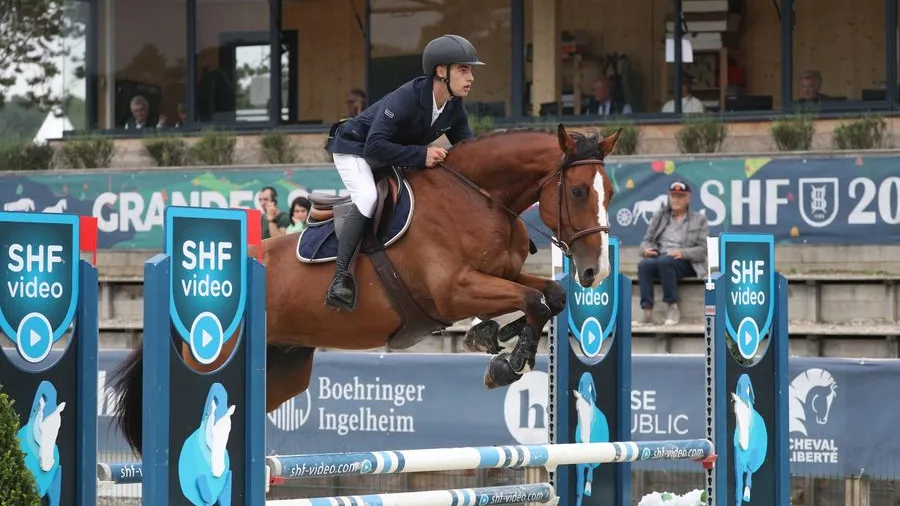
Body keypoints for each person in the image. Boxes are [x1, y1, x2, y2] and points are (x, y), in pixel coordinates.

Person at [322, 34, 484, 311]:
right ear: (441, 71)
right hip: (355, 149)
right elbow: (374, 145)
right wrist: (421, 155)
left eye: (470, 70)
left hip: (390, 155)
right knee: (367, 197)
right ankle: (340, 279)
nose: (470, 77)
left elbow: (468, 150)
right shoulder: (407, 98)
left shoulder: (454, 107)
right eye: (463, 69)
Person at [635, 180, 709, 326]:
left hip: (686, 263)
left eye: (680, 196)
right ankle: (647, 312)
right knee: (644, 265)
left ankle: (672, 307)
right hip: (661, 257)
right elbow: (646, 240)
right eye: (673, 196)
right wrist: (645, 251)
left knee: (665, 261)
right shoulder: (660, 216)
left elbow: (702, 250)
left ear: (688, 198)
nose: (676, 199)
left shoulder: (699, 219)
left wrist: (683, 252)